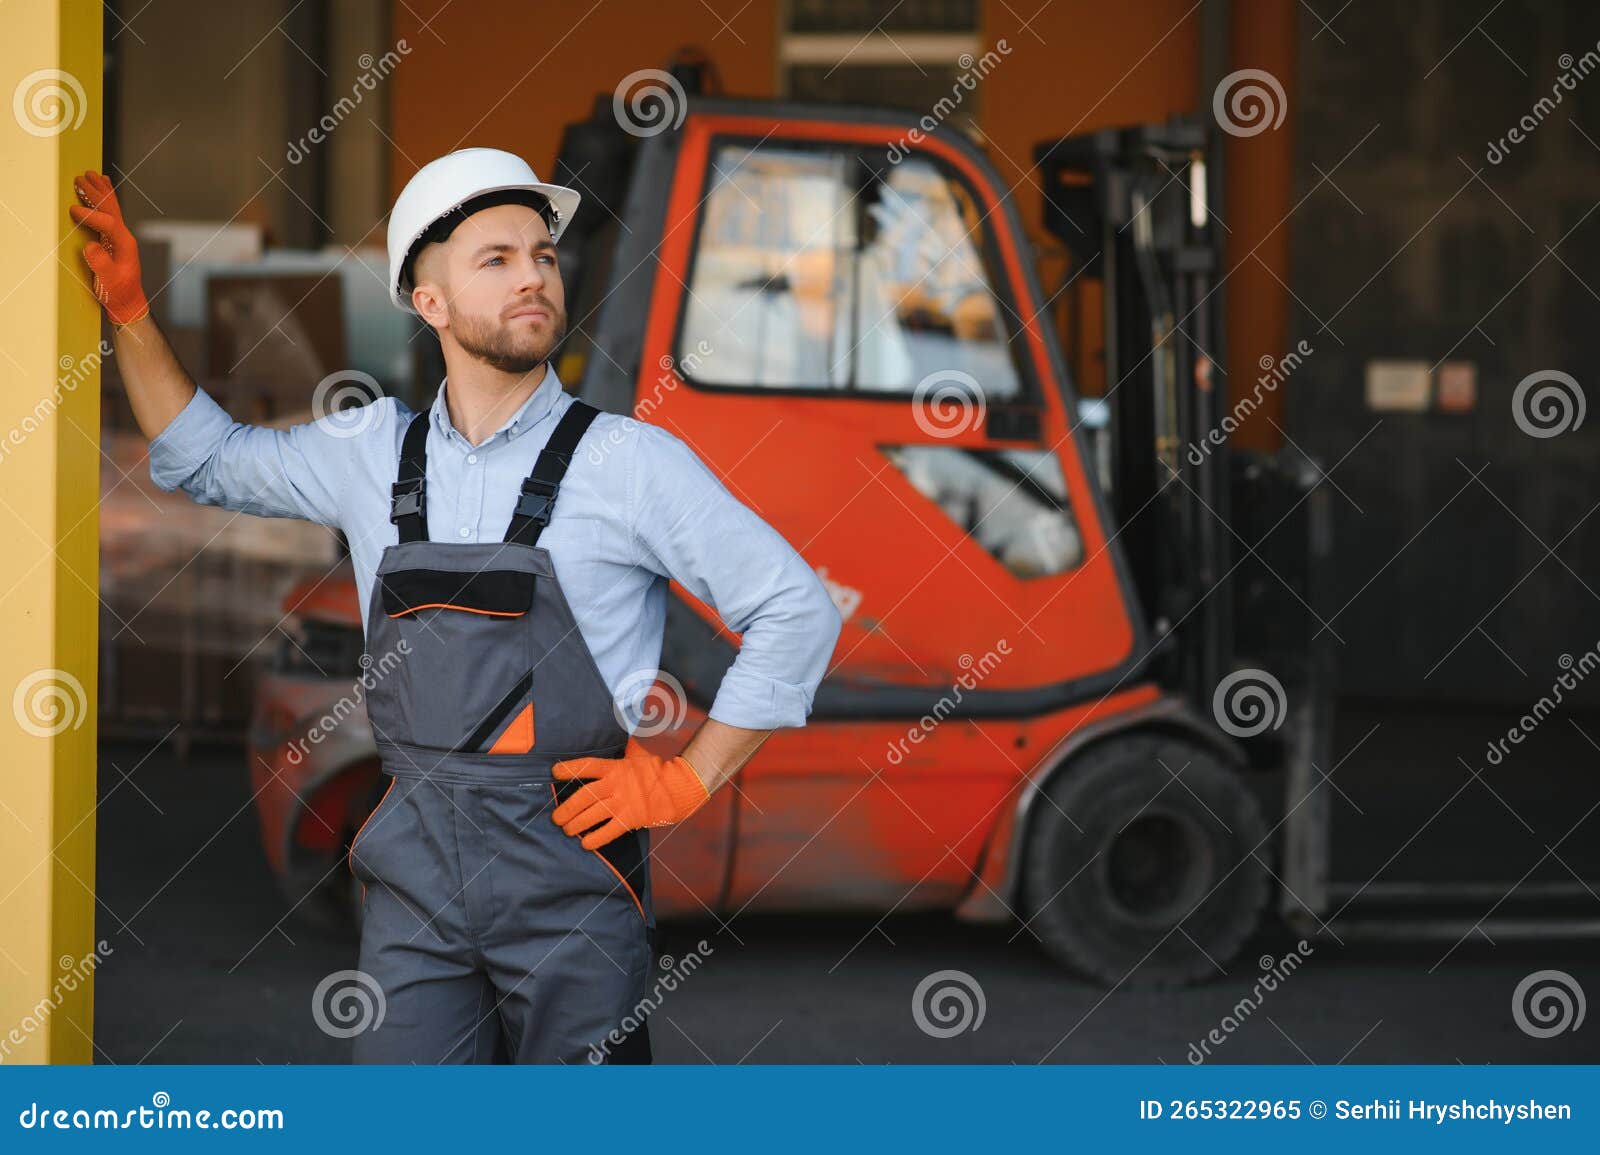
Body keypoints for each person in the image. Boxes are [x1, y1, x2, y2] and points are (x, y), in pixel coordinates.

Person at [68, 148, 843, 1064]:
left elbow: (797, 608)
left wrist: (686, 776)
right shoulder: (368, 452)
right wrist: (130, 314)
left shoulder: (630, 464)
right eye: (497, 259)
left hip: (571, 885)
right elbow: (204, 455)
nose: (533, 278)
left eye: (543, 257)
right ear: (428, 301)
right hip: (414, 891)